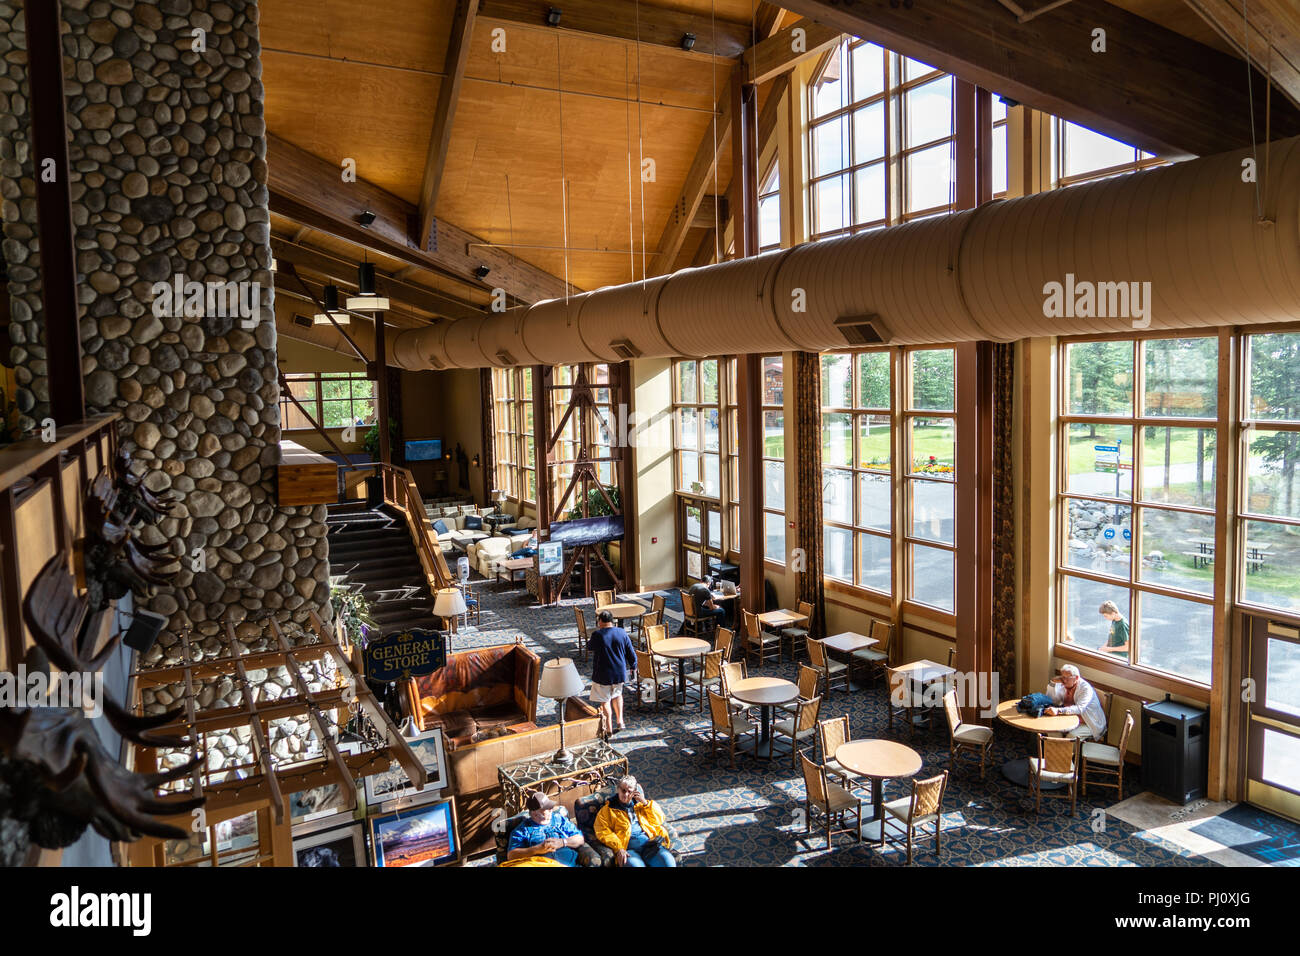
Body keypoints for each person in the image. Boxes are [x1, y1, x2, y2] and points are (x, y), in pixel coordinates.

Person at [593, 775, 676, 868]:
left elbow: (659, 819)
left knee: (667, 860)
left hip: (649, 844)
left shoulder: (641, 805)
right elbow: (603, 832)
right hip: (628, 848)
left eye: (629, 791)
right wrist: (619, 848)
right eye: (623, 790)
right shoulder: (607, 810)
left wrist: (645, 803)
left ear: (634, 792)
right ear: (618, 789)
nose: (626, 794)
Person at [588, 609, 637, 736]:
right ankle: (620, 722)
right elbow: (630, 652)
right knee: (617, 695)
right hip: (619, 673)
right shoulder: (622, 632)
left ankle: (609, 727)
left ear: (600, 622)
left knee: (605, 701)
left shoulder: (597, 635)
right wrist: (633, 665)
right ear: (612, 620)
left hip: (603, 674)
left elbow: (589, 647)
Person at [506, 791, 588, 866]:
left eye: (551, 807)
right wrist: (536, 849)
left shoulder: (560, 820)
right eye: (547, 809)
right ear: (535, 814)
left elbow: (580, 839)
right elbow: (511, 855)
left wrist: (562, 842)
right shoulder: (522, 830)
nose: (551, 810)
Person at [1044, 664, 1108, 741]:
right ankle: (1055, 752)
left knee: (1071, 737)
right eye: (1063, 677)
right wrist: (1053, 683)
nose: (1064, 680)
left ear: (1076, 678)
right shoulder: (1063, 684)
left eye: (1067, 678)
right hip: (1070, 718)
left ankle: (1066, 752)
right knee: (1052, 731)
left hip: (1088, 722)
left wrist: (1058, 710)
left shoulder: (1085, 688)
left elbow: (1079, 709)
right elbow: (1052, 701)